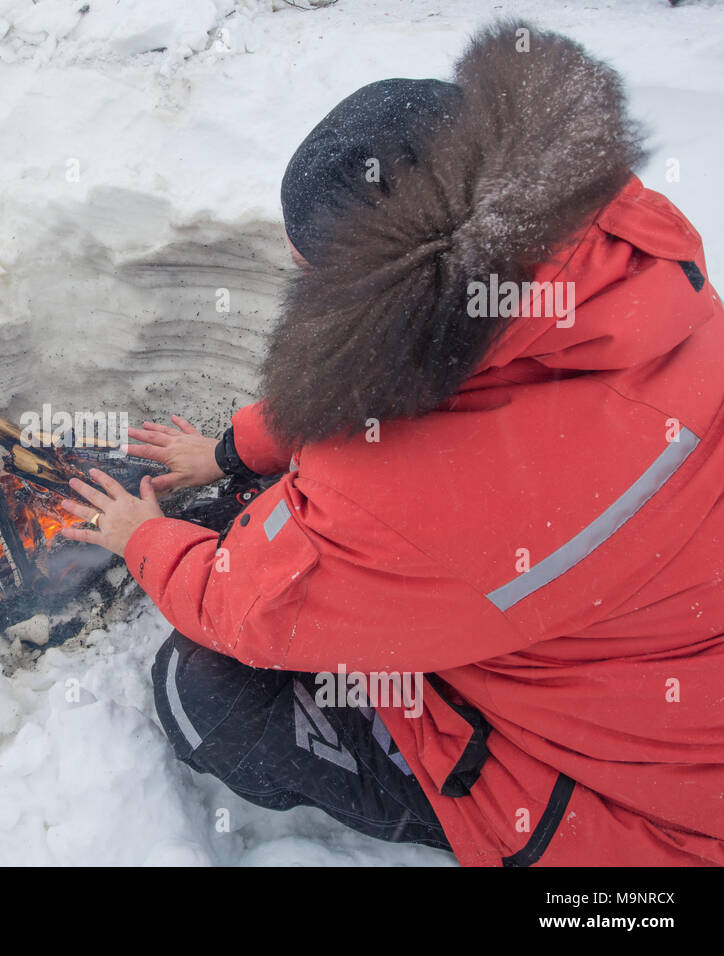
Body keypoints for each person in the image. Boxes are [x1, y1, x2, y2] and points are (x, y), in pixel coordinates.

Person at [59, 19, 724, 866]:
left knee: (205, 695)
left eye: (316, 279)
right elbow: (421, 392)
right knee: (271, 515)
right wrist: (235, 452)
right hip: (654, 664)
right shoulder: (628, 255)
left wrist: (142, 539)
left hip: (646, 831)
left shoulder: (409, 509)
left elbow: (248, 612)